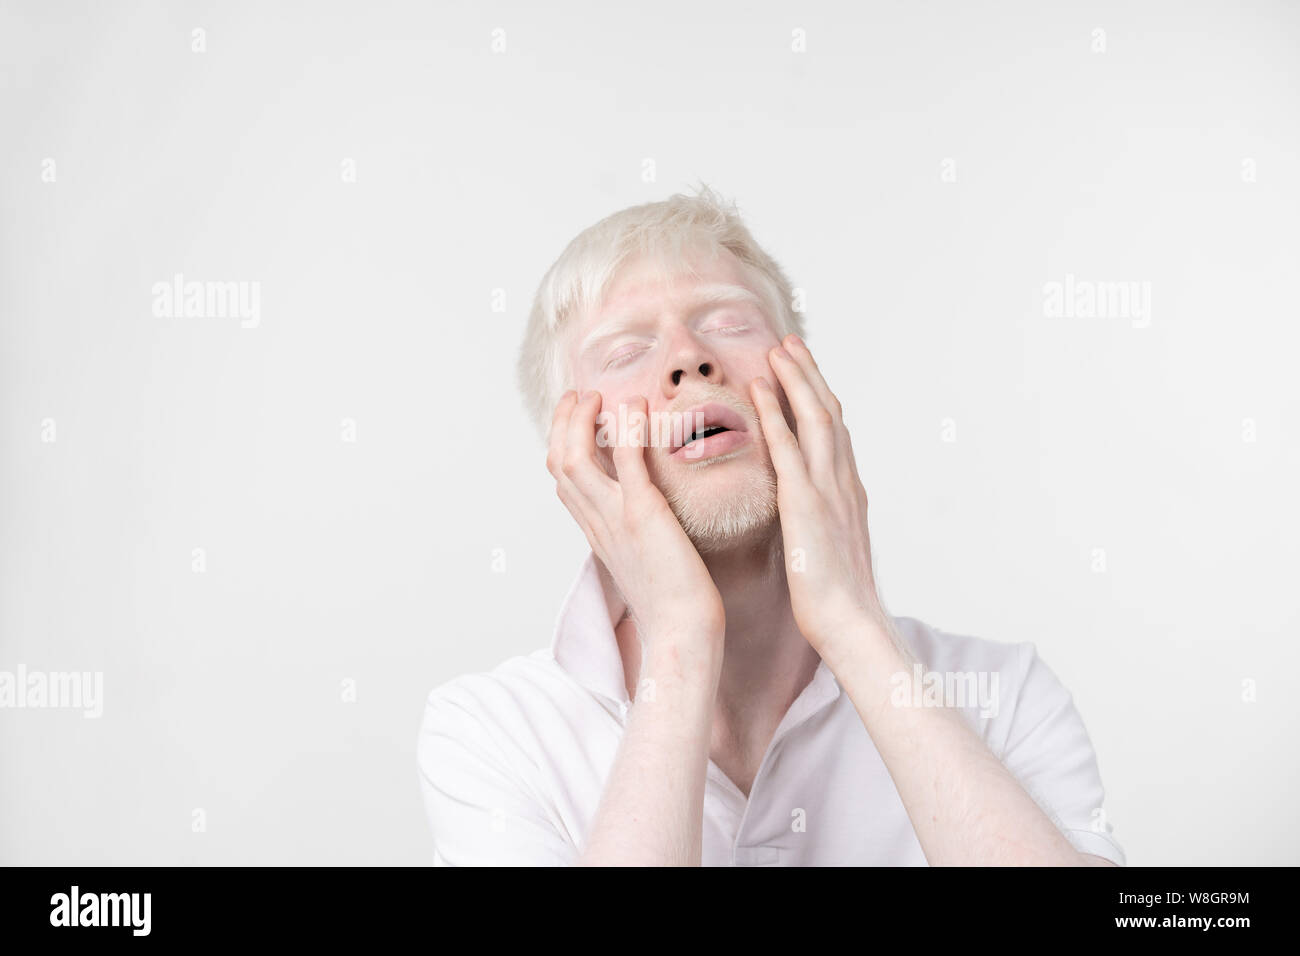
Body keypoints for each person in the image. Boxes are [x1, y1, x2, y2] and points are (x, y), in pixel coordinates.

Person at [416, 185, 1125, 866]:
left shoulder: (1002, 695)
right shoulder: (492, 734)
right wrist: (682, 643)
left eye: (728, 324)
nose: (691, 361)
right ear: (576, 452)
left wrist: (854, 622)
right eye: (627, 352)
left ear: (804, 389)